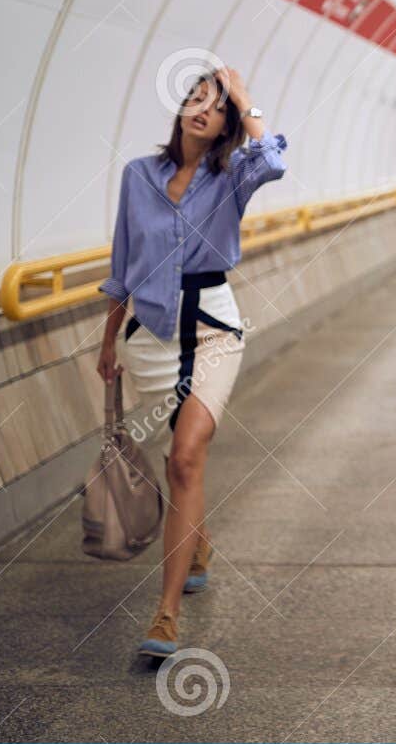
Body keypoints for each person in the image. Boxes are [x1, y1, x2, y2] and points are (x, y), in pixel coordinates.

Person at [96, 66, 287, 656]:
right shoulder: (138, 176)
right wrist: (107, 342)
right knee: (178, 460)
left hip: (212, 331)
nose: (204, 109)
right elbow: (123, 267)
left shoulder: (230, 176)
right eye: (196, 99)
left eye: (218, 106)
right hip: (149, 332)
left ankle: (166, 615)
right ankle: (196, 541)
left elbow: (274, 160)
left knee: (184, 456)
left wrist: (247, 98)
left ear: (228, 124)